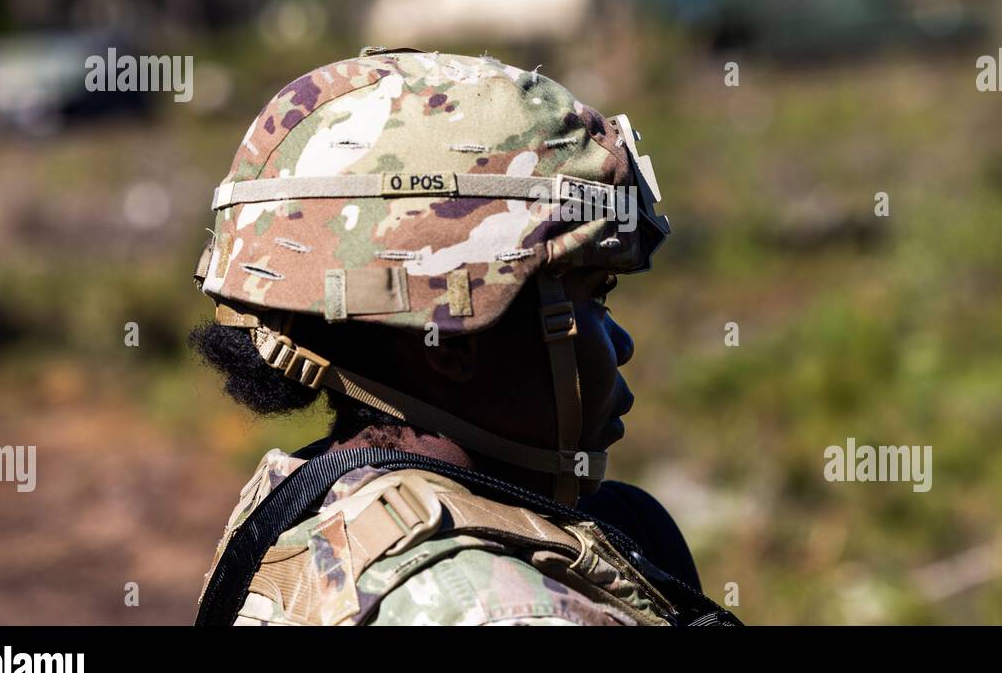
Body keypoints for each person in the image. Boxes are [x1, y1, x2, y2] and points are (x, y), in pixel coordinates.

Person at [190, 49, 737, 626]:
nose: (622, 343)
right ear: (450, 340)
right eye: (595, 295)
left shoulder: (301, 502)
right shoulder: (502, 610)